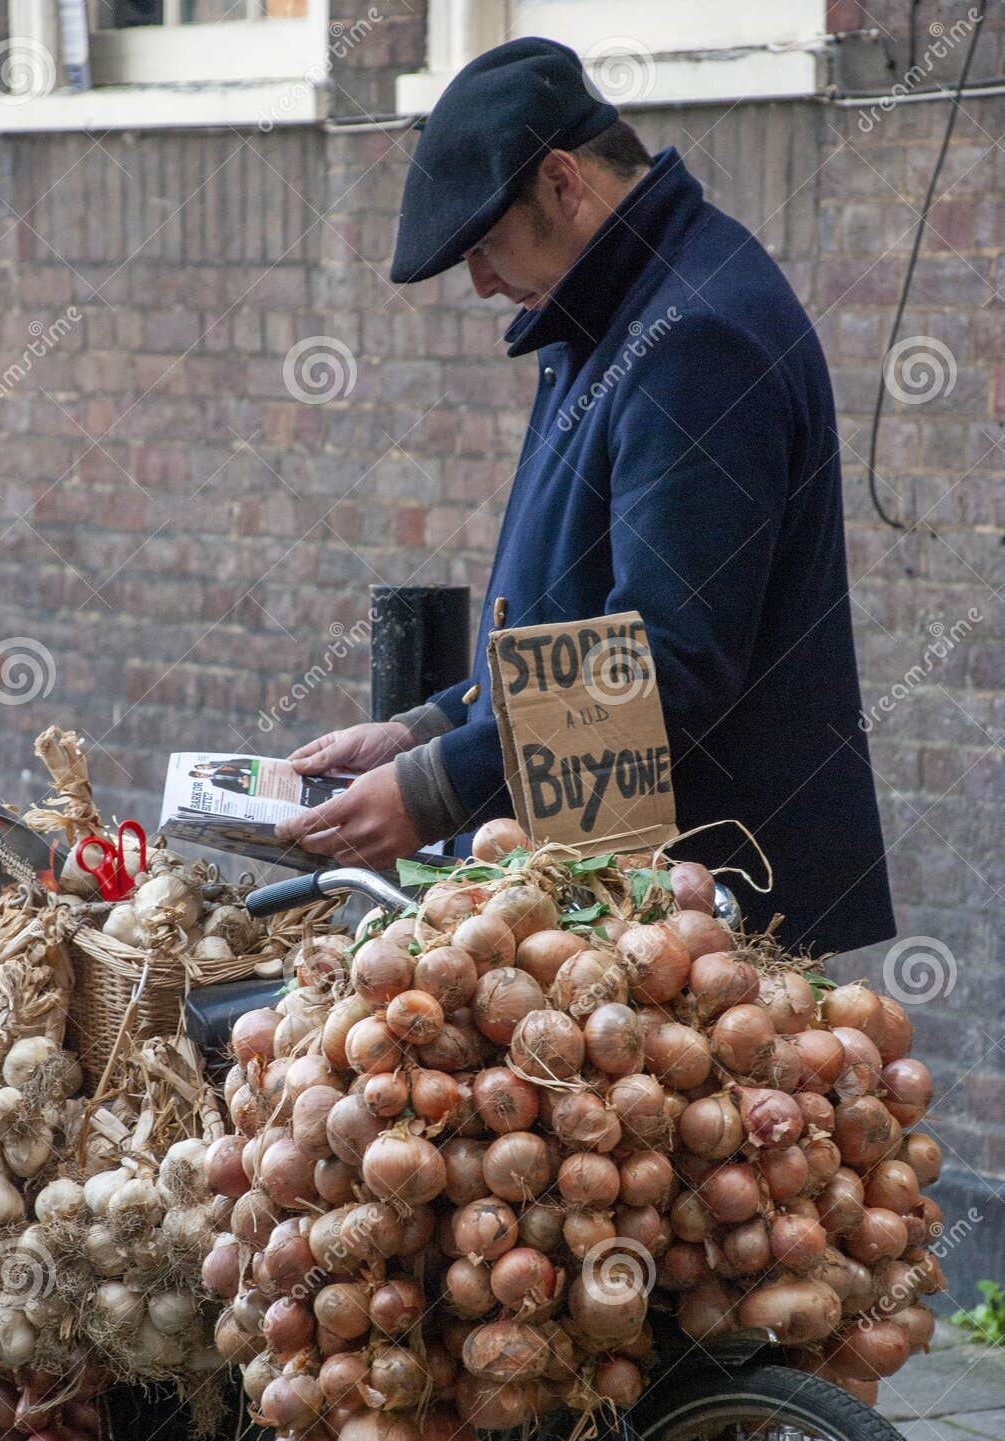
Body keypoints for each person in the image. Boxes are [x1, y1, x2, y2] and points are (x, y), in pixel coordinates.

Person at [278, 36, 894, 957]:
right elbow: (574, 625)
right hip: (625, 904)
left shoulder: (693, 339)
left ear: (563, 183)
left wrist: (434, 790)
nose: (481, 281)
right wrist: (422, 732)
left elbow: (661, 664)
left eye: (486, 243)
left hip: (705, 927)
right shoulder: (621, 309)